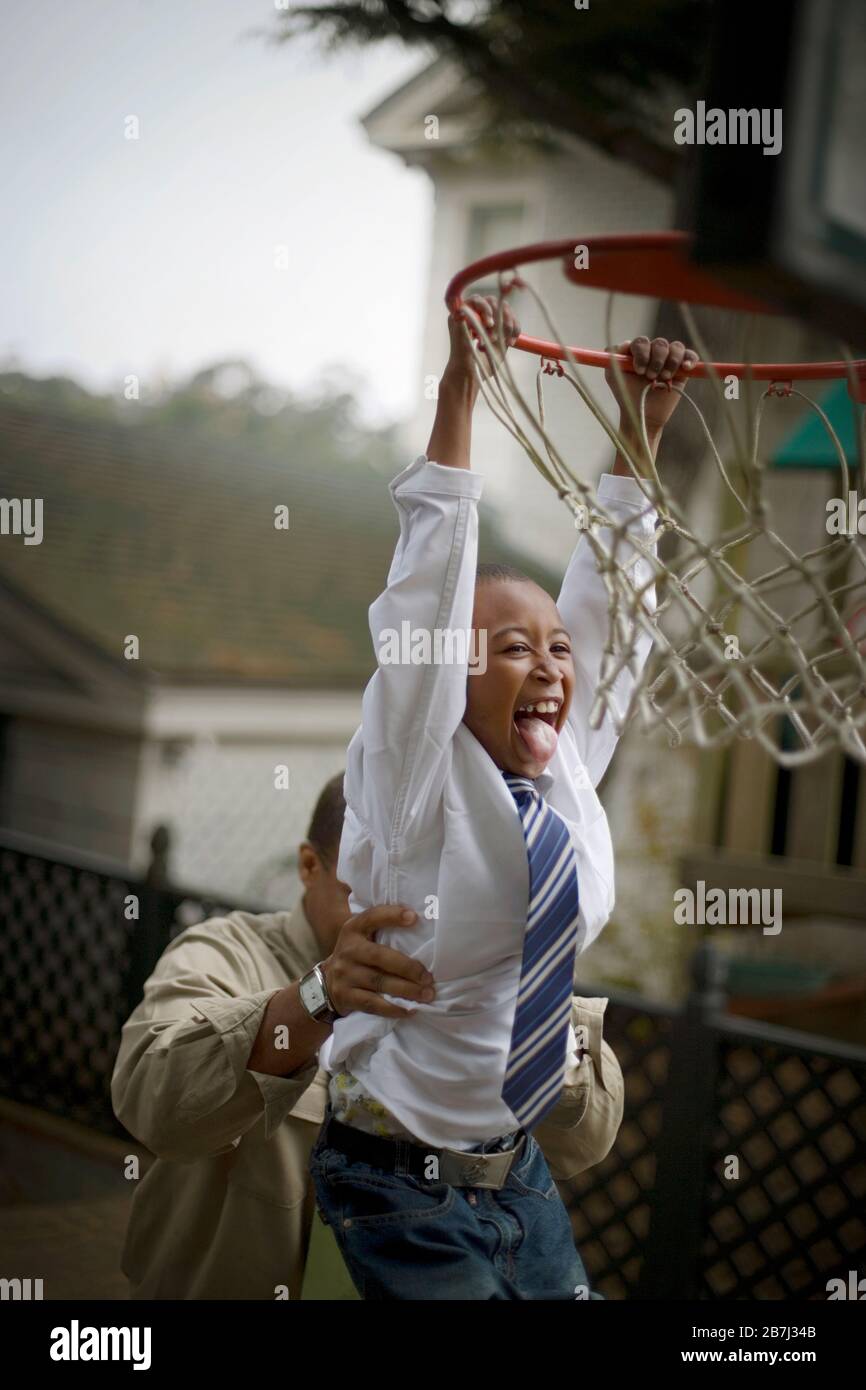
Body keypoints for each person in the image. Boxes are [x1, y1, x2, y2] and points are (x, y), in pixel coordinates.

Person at [309, 297, 698, 1299]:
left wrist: (638, 427)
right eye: (512, 647)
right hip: (394, 1174)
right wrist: (460, 391)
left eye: (553, 648)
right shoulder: (413, 779)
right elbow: (426, 590)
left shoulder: (565, 771)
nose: (550, 665)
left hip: (512, 1166)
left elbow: (608, 616)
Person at [111, 772, 437, 1299]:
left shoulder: (454, 990)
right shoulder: (224, 952)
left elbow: (581, 1141)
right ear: (310, 865)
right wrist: (320, 997)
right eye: (368, 890)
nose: (392, 917)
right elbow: (153, 1103)